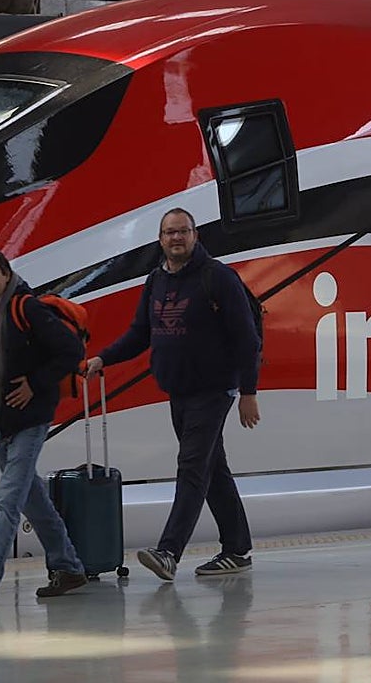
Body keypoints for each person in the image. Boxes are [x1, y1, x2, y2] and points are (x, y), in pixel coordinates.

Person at [85, 207, 260, 582]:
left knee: (192, 468)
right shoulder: (156, 281)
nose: (176, 238)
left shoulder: (218, 278)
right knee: (213, 470)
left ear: (195, 235)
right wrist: (104, 358)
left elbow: (247, 339)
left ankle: (169, 552)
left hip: (214, 390)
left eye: (183, 231)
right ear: (160, 239)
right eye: (169, 233)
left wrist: (249, 392)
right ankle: (238, 547)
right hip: (179, 391)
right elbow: (140, 333)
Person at [0, 248, 88, 607]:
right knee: (32, 499)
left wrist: (35, 383)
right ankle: (68, 566)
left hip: (30, 418)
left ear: (7, 274)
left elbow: (71, 351)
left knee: (8, 499)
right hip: (0, 420)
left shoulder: (25, 307)